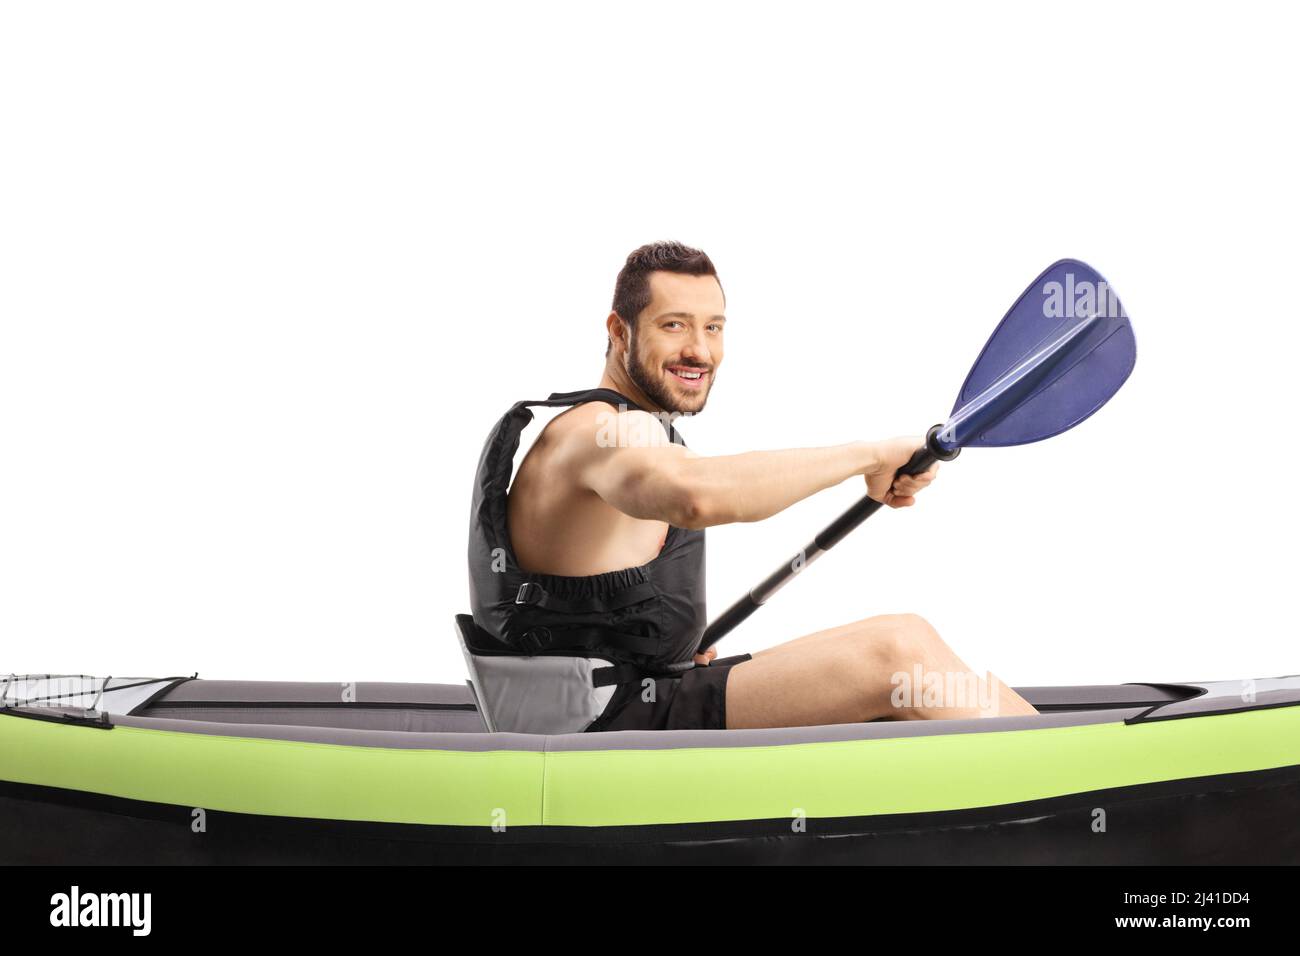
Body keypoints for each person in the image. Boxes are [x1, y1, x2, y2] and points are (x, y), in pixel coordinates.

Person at [468, 240, 1038, 732]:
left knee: (906, 647)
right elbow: (700, 496)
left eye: (713, 327)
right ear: (619, 331)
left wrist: (667, 648)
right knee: (898, 655)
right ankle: (1075, 770)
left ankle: (1042, 750)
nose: (700, 350)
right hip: (596, 723)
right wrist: (870, 456)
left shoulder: (632, 432)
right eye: (674, 325)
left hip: (623, 698)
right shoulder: (604, 428)